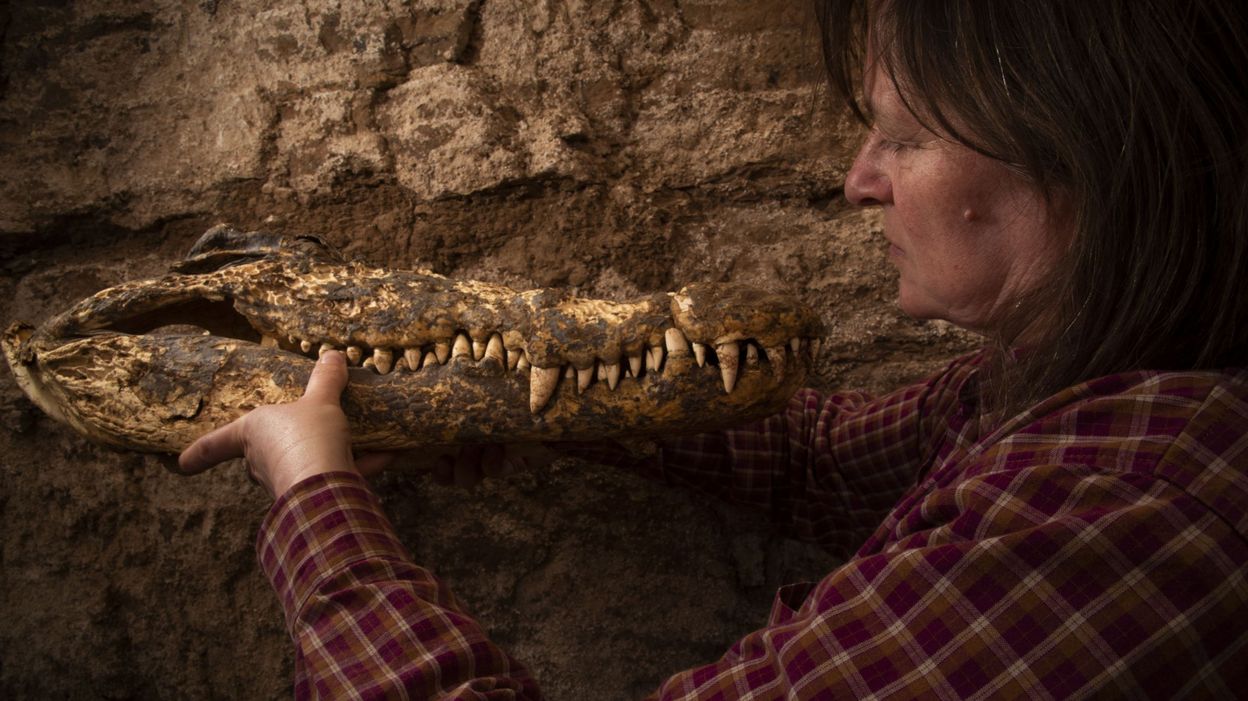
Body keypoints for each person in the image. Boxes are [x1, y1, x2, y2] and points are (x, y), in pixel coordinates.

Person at [177, 0, 1248, 698]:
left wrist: (314, 493)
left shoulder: (1120, 512)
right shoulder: (1068, 389)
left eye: (905, 136)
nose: (859, 180)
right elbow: (820, 454)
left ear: (1080, 160)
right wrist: (497, 383)